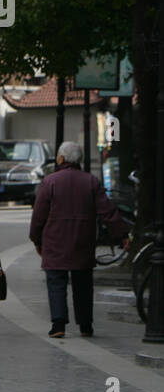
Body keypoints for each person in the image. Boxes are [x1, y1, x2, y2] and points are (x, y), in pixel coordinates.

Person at [29, 141, 131, 338]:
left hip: (55, 240)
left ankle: (58, 324)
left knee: (56, 281)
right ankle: (85, 324)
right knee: (83, 282)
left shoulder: (50, 182)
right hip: (82, 239)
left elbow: (39, 215)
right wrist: (122, 234)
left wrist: (36, 238)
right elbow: (107, 211)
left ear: (61, 158)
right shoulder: (91, 181)